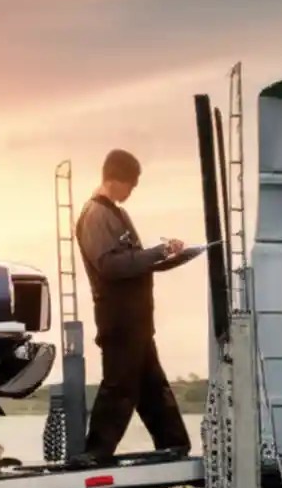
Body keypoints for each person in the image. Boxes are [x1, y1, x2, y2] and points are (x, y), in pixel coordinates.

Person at [69, 148, 192, 467]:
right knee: (119, 386)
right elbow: (110, 266)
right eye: (131, 185)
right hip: (118, 318)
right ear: (116, 179)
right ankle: (95, 453)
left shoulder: (118, 214)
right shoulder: (95, 215)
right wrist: (155, 252)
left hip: (137, 320)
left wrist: (170, 256)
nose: (132, 192)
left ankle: (174, 445)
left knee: (152, 385)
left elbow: (137, 263)